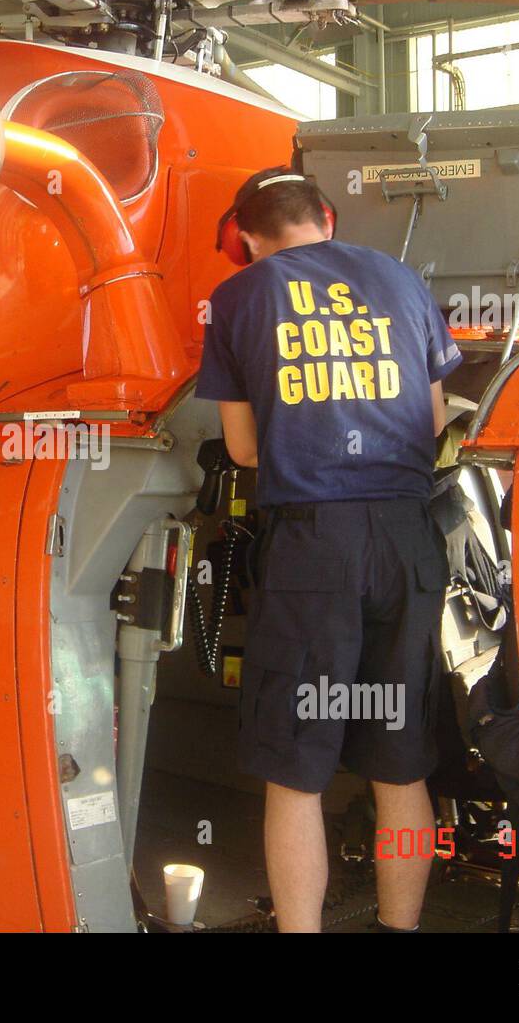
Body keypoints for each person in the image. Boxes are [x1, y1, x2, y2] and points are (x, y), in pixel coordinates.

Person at [196, 167, 462, 932]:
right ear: (327, 217)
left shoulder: (241, 297)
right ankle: (399, 926)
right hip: (408, 541)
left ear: (245, 237)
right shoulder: (403, 279)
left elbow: (243, 449)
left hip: (316, 550)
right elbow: (435, 414)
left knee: (297, 767)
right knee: (401, 760)